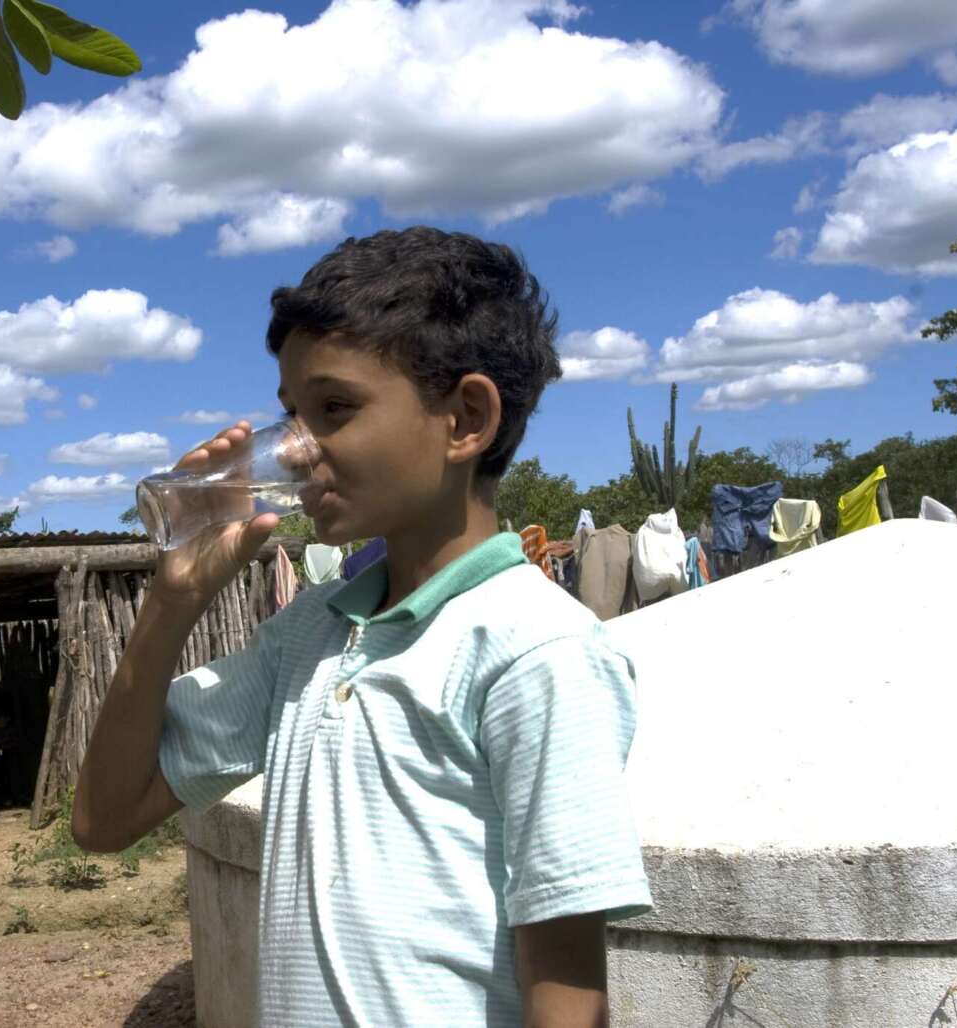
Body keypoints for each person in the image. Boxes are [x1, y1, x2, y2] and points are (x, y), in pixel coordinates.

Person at [73, 227, 651, 1025]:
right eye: (292, 415)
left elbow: (567, 983)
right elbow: (103, 821)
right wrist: (172, 604)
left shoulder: (536, 649)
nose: (295, 451)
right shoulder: (310, 633)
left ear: (465, 420)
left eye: (334, 409)